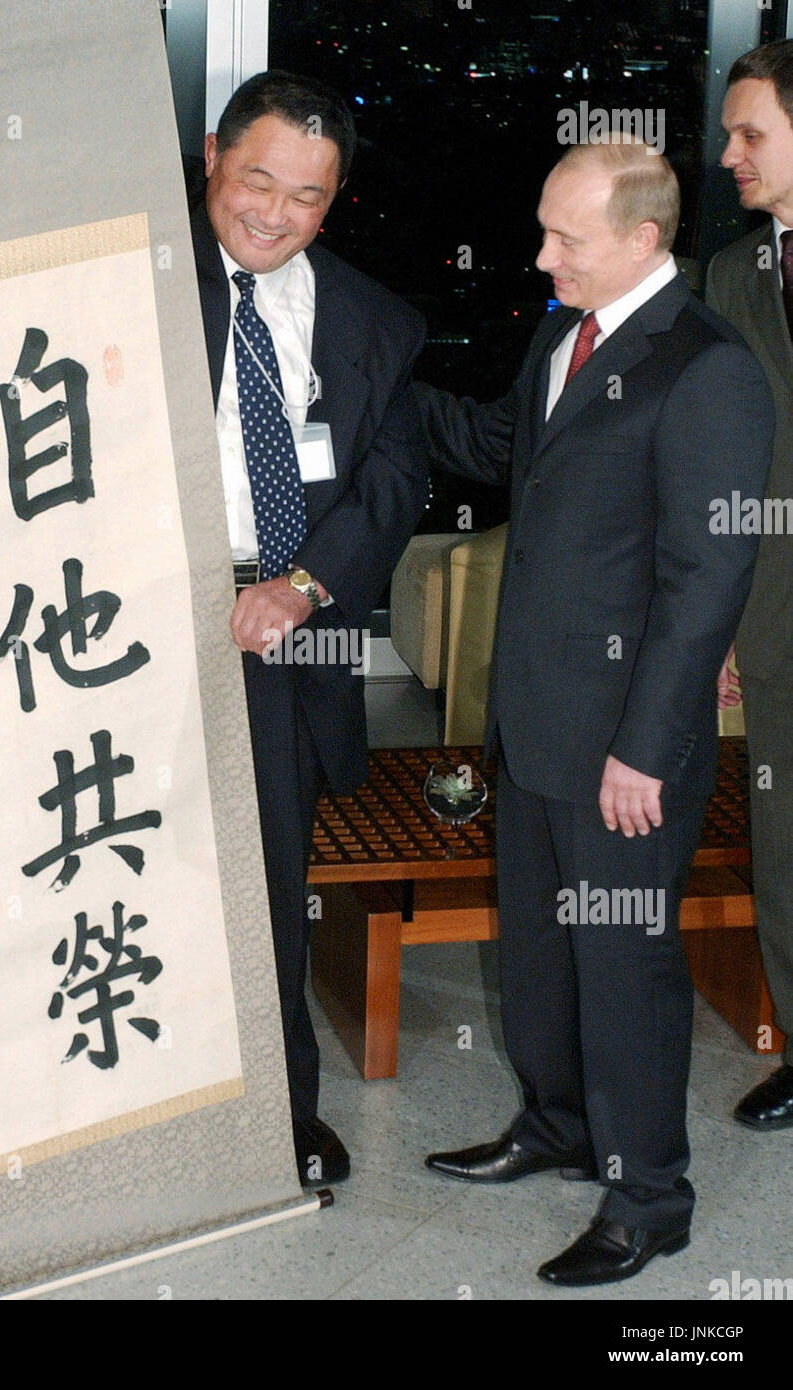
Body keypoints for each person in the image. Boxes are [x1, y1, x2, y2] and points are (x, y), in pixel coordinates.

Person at [416, 139, 774, 1285]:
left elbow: (706, 580)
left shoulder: (706, 367)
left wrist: (644, 747)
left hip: (625, 743)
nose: (541, 256)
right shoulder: (566, 338)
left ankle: (648, 1194)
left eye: (565, 238)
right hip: (532, 722)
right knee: (541, 952)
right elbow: (506, 449)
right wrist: (371, 389)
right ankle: (559, 1124)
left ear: (642, 240)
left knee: (625, 968)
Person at [188, 71, 428, 1186]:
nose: (274, 213)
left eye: (308, 196)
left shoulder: (376, 319)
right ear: (210, 159)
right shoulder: (124, 286)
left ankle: (282, 1115)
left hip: (283, 629)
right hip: (126, 619)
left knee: (275, 881)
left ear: (333, 204)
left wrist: (304, 585)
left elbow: (391, 479)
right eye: (256, 179)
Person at [708, 39, 793, 1131]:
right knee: (786, 847)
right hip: (779, 616)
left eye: (751, 132)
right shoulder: (732, 275)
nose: (730, 153)